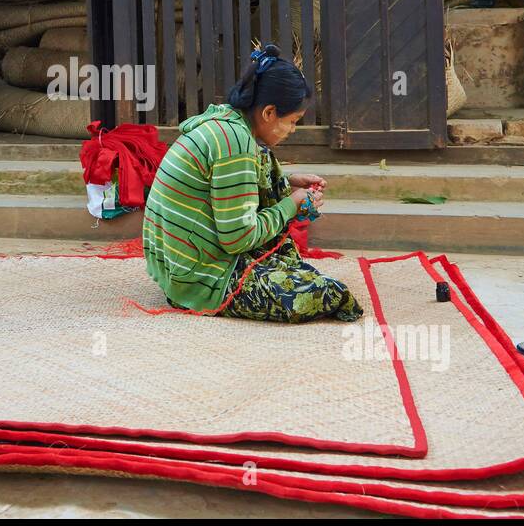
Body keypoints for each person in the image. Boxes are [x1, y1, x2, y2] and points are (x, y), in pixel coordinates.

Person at [142, 44, 363, 323]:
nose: (292, 130)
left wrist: (285, 182)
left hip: (175, 265)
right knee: (328, 293)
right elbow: (237, 239)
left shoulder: (224, 120)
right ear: (269, 113)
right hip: (195, 279)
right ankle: (205, 290)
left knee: (267, 167)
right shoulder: (235, 143)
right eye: (292, 121)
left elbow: (231, 185)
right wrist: (291, 204)